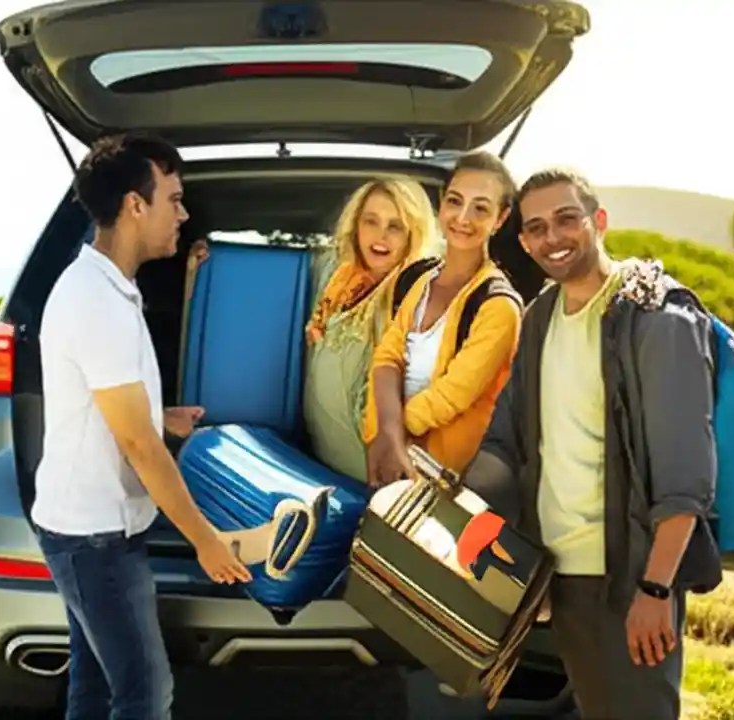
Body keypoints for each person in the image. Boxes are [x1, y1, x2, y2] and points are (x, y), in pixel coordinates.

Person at [460, 167, 723, 719]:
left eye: (566, 219)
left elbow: (685, 474)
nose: (551, 238)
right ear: (524, 241)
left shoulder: (655, 317)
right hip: (560, 577)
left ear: (598, 222)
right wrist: (464, 517)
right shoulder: (539, 319)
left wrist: (655, 592)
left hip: (629, 578)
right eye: (536, 228)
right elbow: (508, 438)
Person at [30, 132, 252, 720]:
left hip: (90, 531)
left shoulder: (107, 287)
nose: (182, 214)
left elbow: (112, 409)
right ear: (135, 205)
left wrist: (161, 416)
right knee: (144, 694)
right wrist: (205, 539)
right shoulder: (96, 301)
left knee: (98, 687)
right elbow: (136, 444)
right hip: (94, 538)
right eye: (174, 200)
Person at [188, 177, 439, 480]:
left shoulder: (418, 295)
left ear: (414, 233)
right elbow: (279, 255)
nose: (380, 236)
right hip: (316, 463)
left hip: (373, 475)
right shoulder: (335, 273)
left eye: (395, 226)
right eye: (370, 221)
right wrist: (212, 254)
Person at [362, 151, 524, 486]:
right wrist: (387, 437)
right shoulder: (421, 280)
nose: (463, 217)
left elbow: (451, 397)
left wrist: (390, 437)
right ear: (441, 204)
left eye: (480, 208)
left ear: (501, 218)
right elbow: (386, 357)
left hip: (440, 477)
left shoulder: (499, 306)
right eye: (455, 201)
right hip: (388, 458)